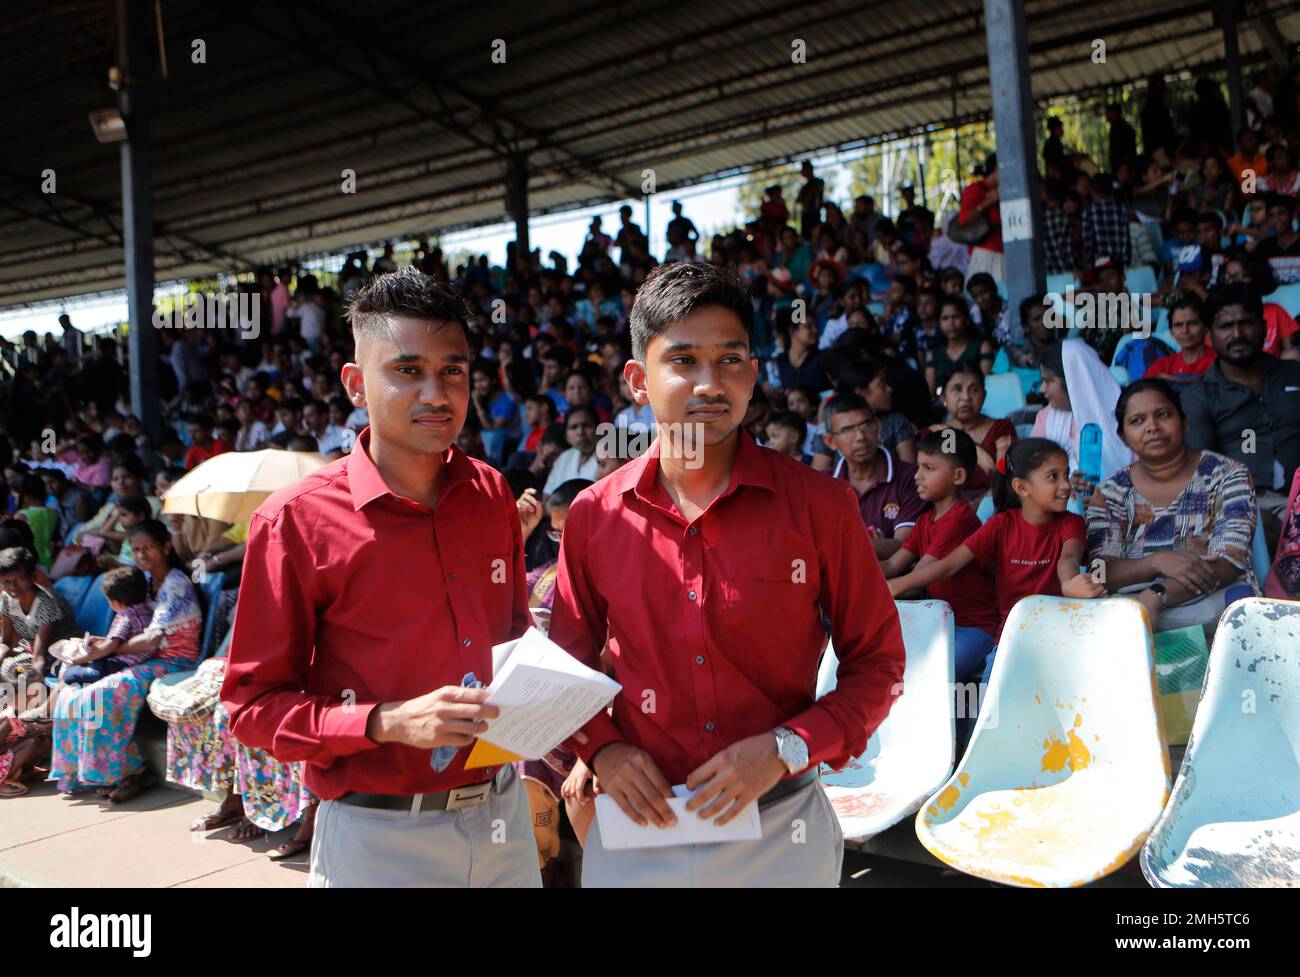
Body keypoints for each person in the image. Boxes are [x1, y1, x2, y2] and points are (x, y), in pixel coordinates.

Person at [549, 261, 905, 888]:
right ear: (639, 379)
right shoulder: (594, 516)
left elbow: (878, 668)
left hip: (781, 832)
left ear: (754, 375)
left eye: (731, 360)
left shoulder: (820, 506)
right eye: (683, 360)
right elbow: (566, 675)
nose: (710, 383)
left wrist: (784, 747)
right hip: (639, 832)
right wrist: (602, 748)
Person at [220, 266, 540, 889]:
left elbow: (513, 637)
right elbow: (252, 708)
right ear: (356, 383)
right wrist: (385, 721)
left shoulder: (491, 492)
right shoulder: (296, 521)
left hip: (504, 817)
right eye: (407, 370)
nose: (436, 394)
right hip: (377, 841)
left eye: (452, 371)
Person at [887, 438, 1104, 691]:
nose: (1066, 485)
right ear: (1021, 487)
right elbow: (949, 565)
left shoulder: (1070, 523)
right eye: (1053, 477)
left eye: (1065, 474)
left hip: (1059, 636)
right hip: (1010, 639)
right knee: (986, 714)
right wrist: (894, 586)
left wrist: (1069, 583)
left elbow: (1069, 558)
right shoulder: (1001, 524)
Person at [1087, 379, 1258, 638]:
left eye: (1163, 415)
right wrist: (1157, 563)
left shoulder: (1227, 475)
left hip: (1208, 603)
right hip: (1130, 610)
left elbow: (1229, 562)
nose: (1152, 427)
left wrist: (1158, 595)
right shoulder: (1112, 491)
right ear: (1122, 436)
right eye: (1137, 421)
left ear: (1184, 420)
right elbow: (1101, 571)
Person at [48, 519, 201, 803]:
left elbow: (151, 640)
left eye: (149, 548)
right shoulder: (143, 582)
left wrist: (107, 651)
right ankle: (80, 772)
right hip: (145, 660)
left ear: (166, 547)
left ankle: (119, 773)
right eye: (137, 549)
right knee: (71, 693)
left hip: (175, 661)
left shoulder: (176, 584)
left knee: (99, 694)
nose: (142, 555)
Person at [1180, 284, 1300, 537]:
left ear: (1265, 328)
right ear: (1210, 336)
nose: (1237, 333)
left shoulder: (1294, 374)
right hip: (1251, 504)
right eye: (1225, 326)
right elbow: (1201, 473)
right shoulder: (1200, 395)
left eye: (1246, 323)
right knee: (1262, 524)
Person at [879, 429, 998, 680]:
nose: (917, 475)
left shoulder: (959, 519)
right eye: (919, 466)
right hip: (938, 624)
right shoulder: (924, 520)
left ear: (958, 476)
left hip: (975, 628)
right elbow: (892, 564)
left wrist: (887, 588)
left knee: (926, 677)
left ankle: (960, 720)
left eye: (929, 468)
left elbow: (921, 573)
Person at [823, 393, 928, 559]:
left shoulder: (911, 477)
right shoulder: (822, 485)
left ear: (878, 426)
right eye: (847, 430)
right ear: (830, 441)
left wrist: (837, 545)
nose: (860, 437)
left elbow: (905, 547)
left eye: (866, 425)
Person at [925, 364, 1017, 495]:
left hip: (990, 507)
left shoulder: (1002, 429)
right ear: (944, 397)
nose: (966, 397)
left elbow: (1004, 479)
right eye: (957, 389)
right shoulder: (932, 434)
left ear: (984, 396)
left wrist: (978, 507)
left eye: (974, 389)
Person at [54, 566, 155, 684]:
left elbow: (109, 647)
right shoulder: (148, 611)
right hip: (140, 662)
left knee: (71, 674)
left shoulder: (125, 617)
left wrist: (77, 660)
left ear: (115, 603)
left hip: (118, 665)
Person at [0, 546, 79, 681]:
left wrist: (31, 675)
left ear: (32, 577)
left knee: (14, 672)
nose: (13, 587)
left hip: (59, 655)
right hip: (30, 651)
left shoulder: (46, 604)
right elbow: (6, 642)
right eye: (6, 581)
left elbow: (39, 657)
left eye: (19, 579)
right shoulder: (7, 600)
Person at [924, 296, 995, 394]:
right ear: (939, 324)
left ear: (966, 320)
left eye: (956, 317)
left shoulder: (982, 347)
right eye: (945, 318)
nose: (951, 323)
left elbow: (984, 386)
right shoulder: (932, 355)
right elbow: (930, 394)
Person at [1145, 293, 1216, 380]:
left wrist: (1175, 380)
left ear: (1206, 328)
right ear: (1171, 332)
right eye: (1178, 325)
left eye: (1192, 323)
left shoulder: (1218, 363)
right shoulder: (1162, 366)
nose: (1185, 330)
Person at [958, 154, 1003, 280]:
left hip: (1003, 251)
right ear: (995, 169)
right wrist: (988, 203)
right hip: (985, 253)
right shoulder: (975, 190)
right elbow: (964, 221)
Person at [1105, 103, 1138, 173]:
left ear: (1115, 113)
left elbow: (1127, 150)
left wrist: (1124, 164)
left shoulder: (1122, 128)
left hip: (1124, 167)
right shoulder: (1115, 128)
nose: (1106, 115)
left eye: (1109, 112)